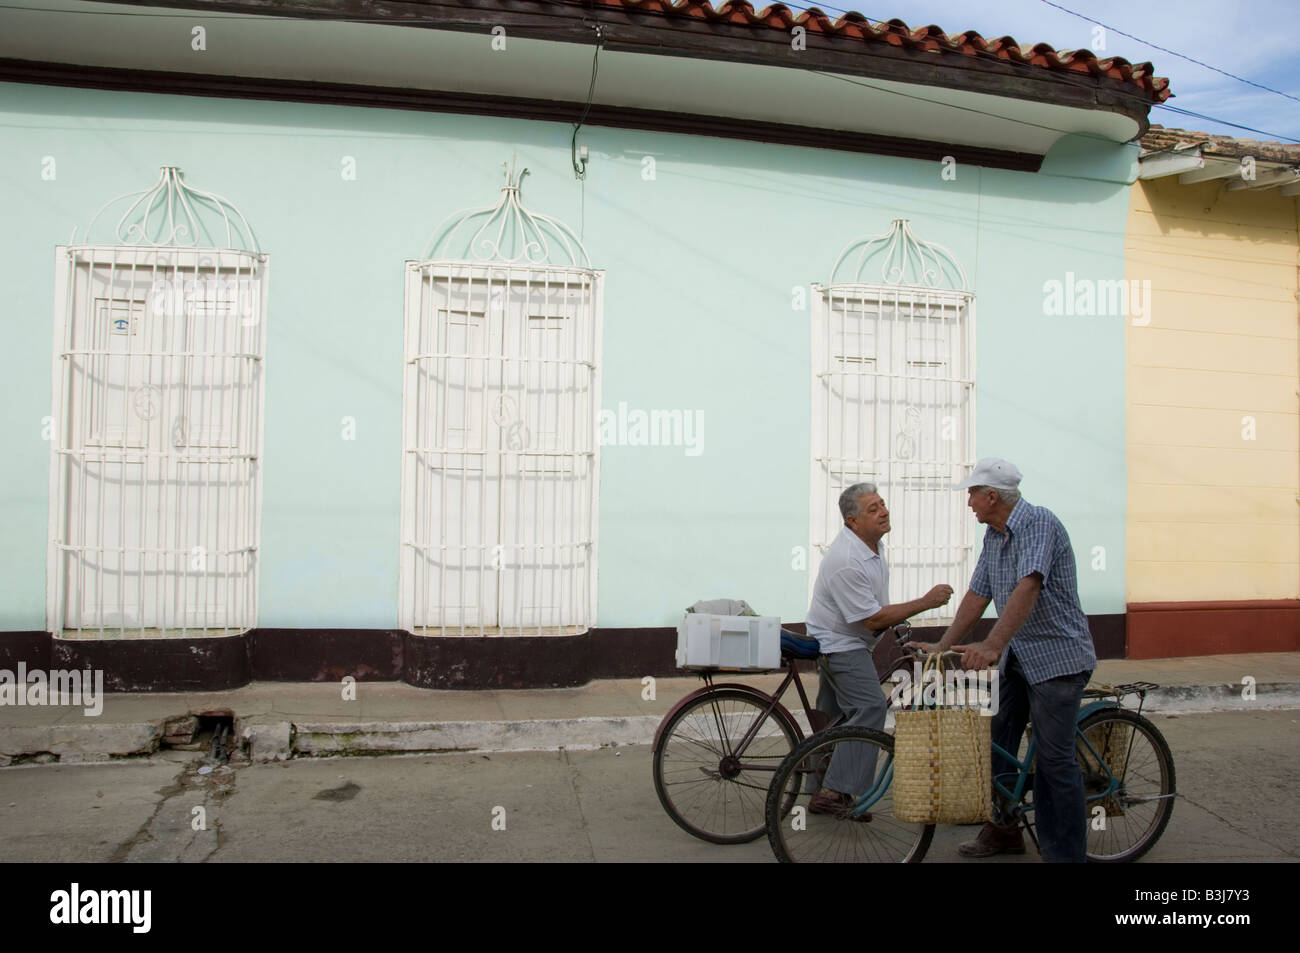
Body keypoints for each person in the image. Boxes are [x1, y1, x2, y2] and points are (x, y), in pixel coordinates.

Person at [908, 458, 1097, 862]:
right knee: (995, 745)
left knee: (1052, 759)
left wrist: (991, 646)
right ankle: (1005, 831)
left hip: (1058, 657)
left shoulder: (1039, 523)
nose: (969, 503)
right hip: (1020, 658)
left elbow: (1027, 587)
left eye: (973, 494)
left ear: (992, 496)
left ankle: (1066, 856)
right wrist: (943, 647)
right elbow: (978, 596)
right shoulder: (993, 536)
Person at [805, 482, 953, 816]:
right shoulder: (846, 559)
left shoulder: (871, 547)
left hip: (846, 640)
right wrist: (926, 602)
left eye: (882, 504)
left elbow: (876, 608)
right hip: (842, 645)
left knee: (833, 718)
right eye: (872, 509)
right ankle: (834, 792)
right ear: (852, 521)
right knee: (870, 707)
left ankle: (818, 786)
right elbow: (871, 619)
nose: (884, 511)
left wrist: (901, 638)